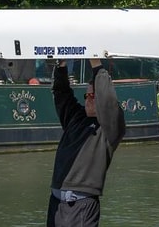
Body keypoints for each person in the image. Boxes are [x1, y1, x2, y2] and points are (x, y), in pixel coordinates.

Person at [48, 58, 126, 227]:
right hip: (56, 204)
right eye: (87, 95)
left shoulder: (110, 127)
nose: (89, 99)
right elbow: (61, 93)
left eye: (94, 96)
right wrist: (61, 65)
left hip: (81, 206)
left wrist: (96, 64)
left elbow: (107, 99)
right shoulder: (75, 118)